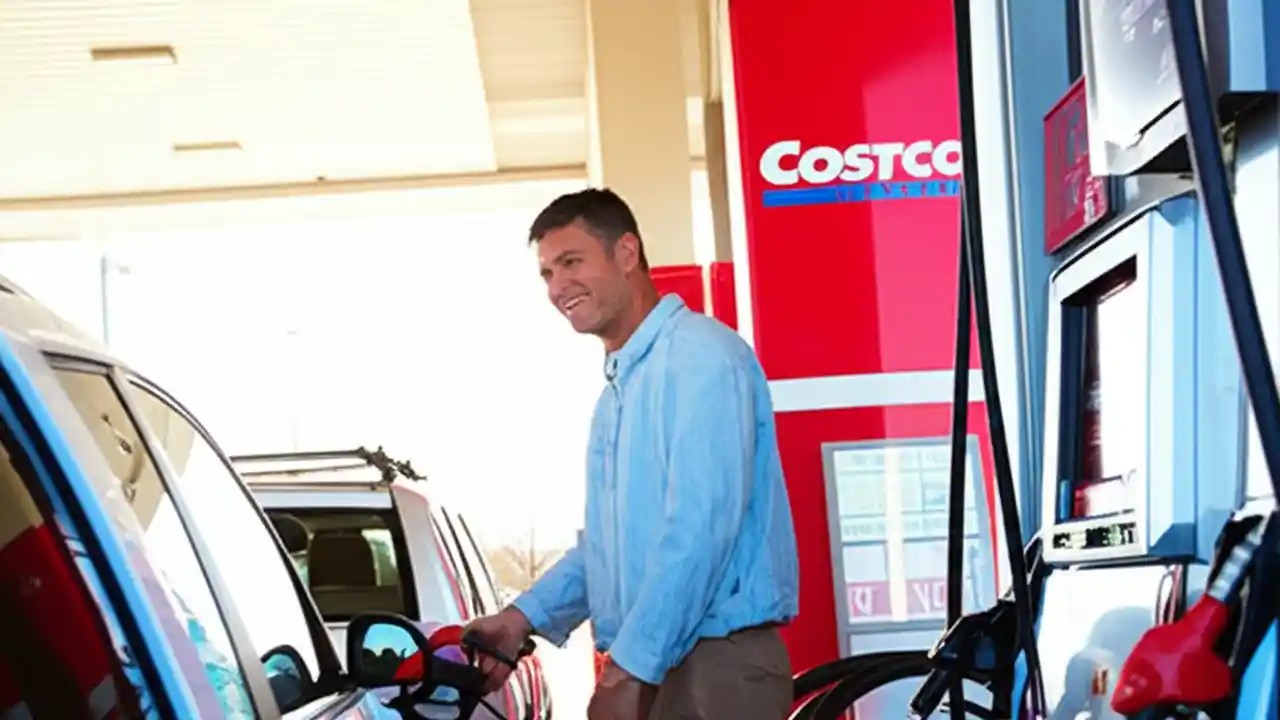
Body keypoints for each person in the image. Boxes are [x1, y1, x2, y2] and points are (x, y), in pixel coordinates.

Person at [465, 188, 799, 720]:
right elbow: (607, 550)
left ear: (626, 253)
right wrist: (521, 618)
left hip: (714, 667)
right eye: (547, 273)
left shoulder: (701, 359)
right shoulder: (619, 392)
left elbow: (699, 533)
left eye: (571, 262)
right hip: (662, 660)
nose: (558, 287)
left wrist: (628, 672)